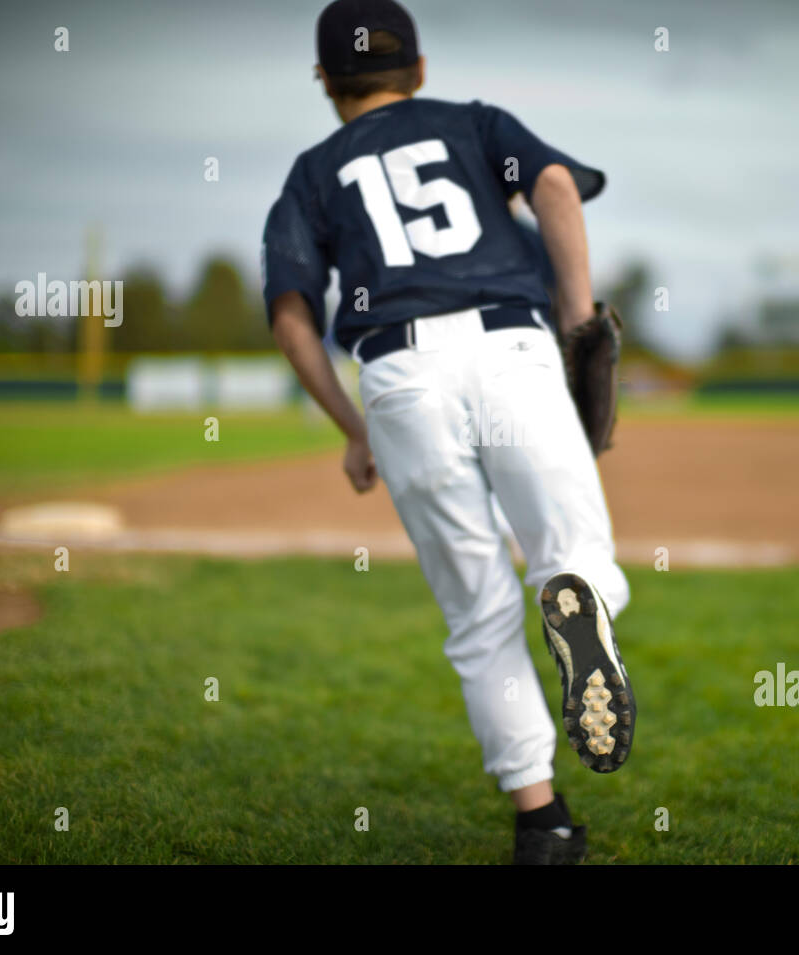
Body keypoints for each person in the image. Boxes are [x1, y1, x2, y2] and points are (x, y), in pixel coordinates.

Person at [262, 0, 635, 864]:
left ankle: (542, 824)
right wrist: (577, 321)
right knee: (572, 554)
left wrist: (355, 430)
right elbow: (551, 188)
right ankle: (576, 609)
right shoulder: (473, 122)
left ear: (326, 82)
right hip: (510, 342)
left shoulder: (313, 172)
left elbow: (291, 318)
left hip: (398, 373)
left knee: (476, 610)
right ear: (419, 69)